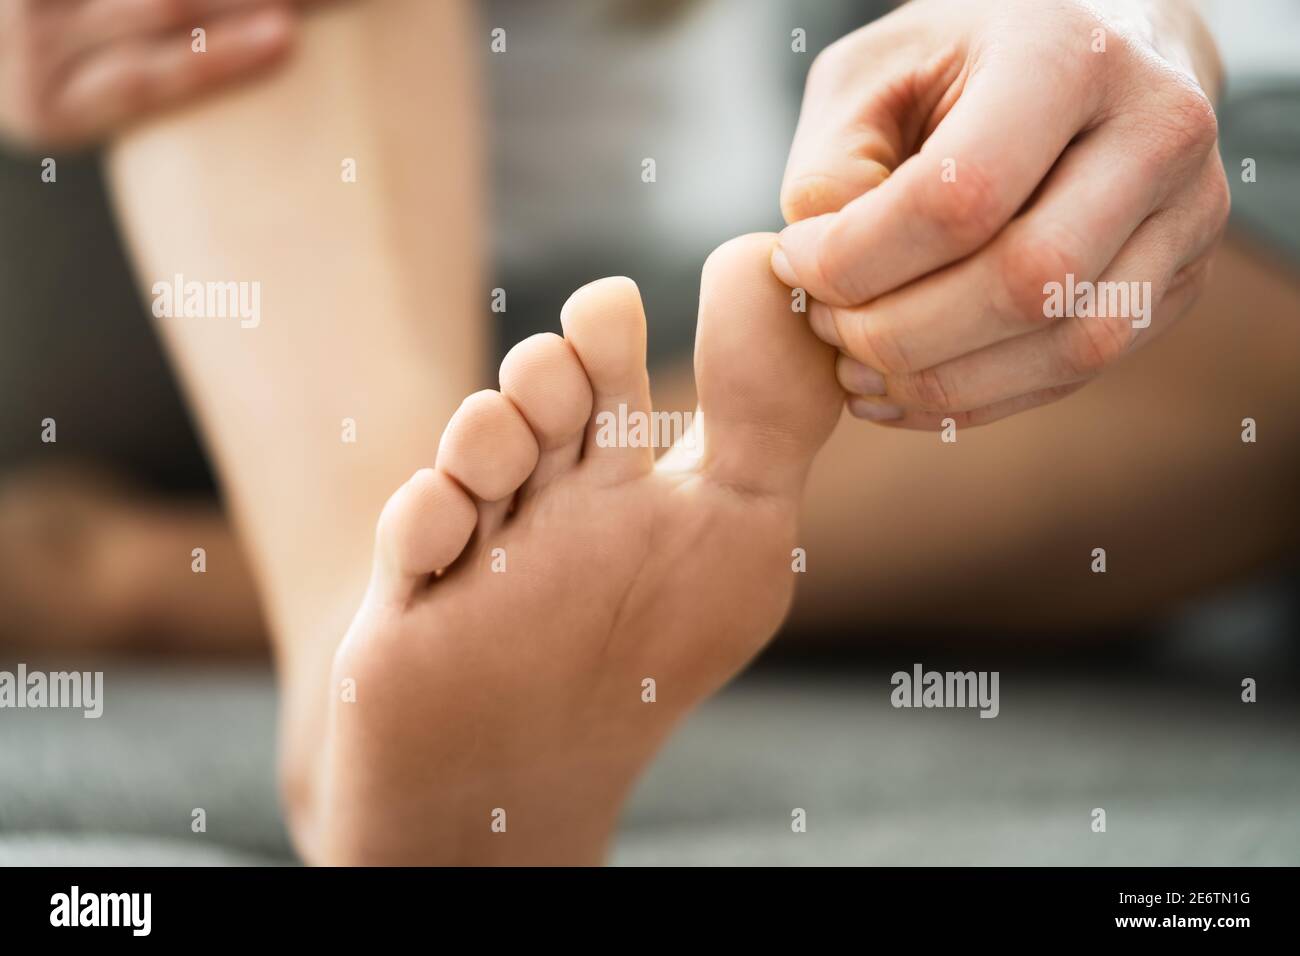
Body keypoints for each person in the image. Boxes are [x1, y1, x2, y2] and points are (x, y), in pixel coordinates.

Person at [4, 0, 1299, 862]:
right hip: (136, 260)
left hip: (712, 297)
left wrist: (1136, 33)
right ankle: (366, 610)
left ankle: (219, 585)